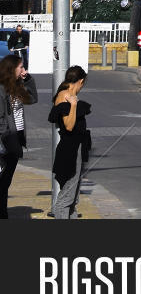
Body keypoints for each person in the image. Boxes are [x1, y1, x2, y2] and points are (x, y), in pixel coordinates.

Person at [48, 67, 91, 220]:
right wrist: (73, 105)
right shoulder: (66, 96)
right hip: (70, 151)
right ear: (81, 81)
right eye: (83, 84)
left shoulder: (67, 94)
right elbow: (69, 126)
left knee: (73, 198)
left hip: (74, 148)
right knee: (66, 198)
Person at [0, 54, 38, 218]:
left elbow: (32, 99)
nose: (24, 70)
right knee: (2, 182)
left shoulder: (17, 86)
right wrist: (6, 136)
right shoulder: (1, 89)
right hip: (6, 140)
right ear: (11, 69)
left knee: (5, 181)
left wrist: (28, 80)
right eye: (21, 67)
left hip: (16, 139)